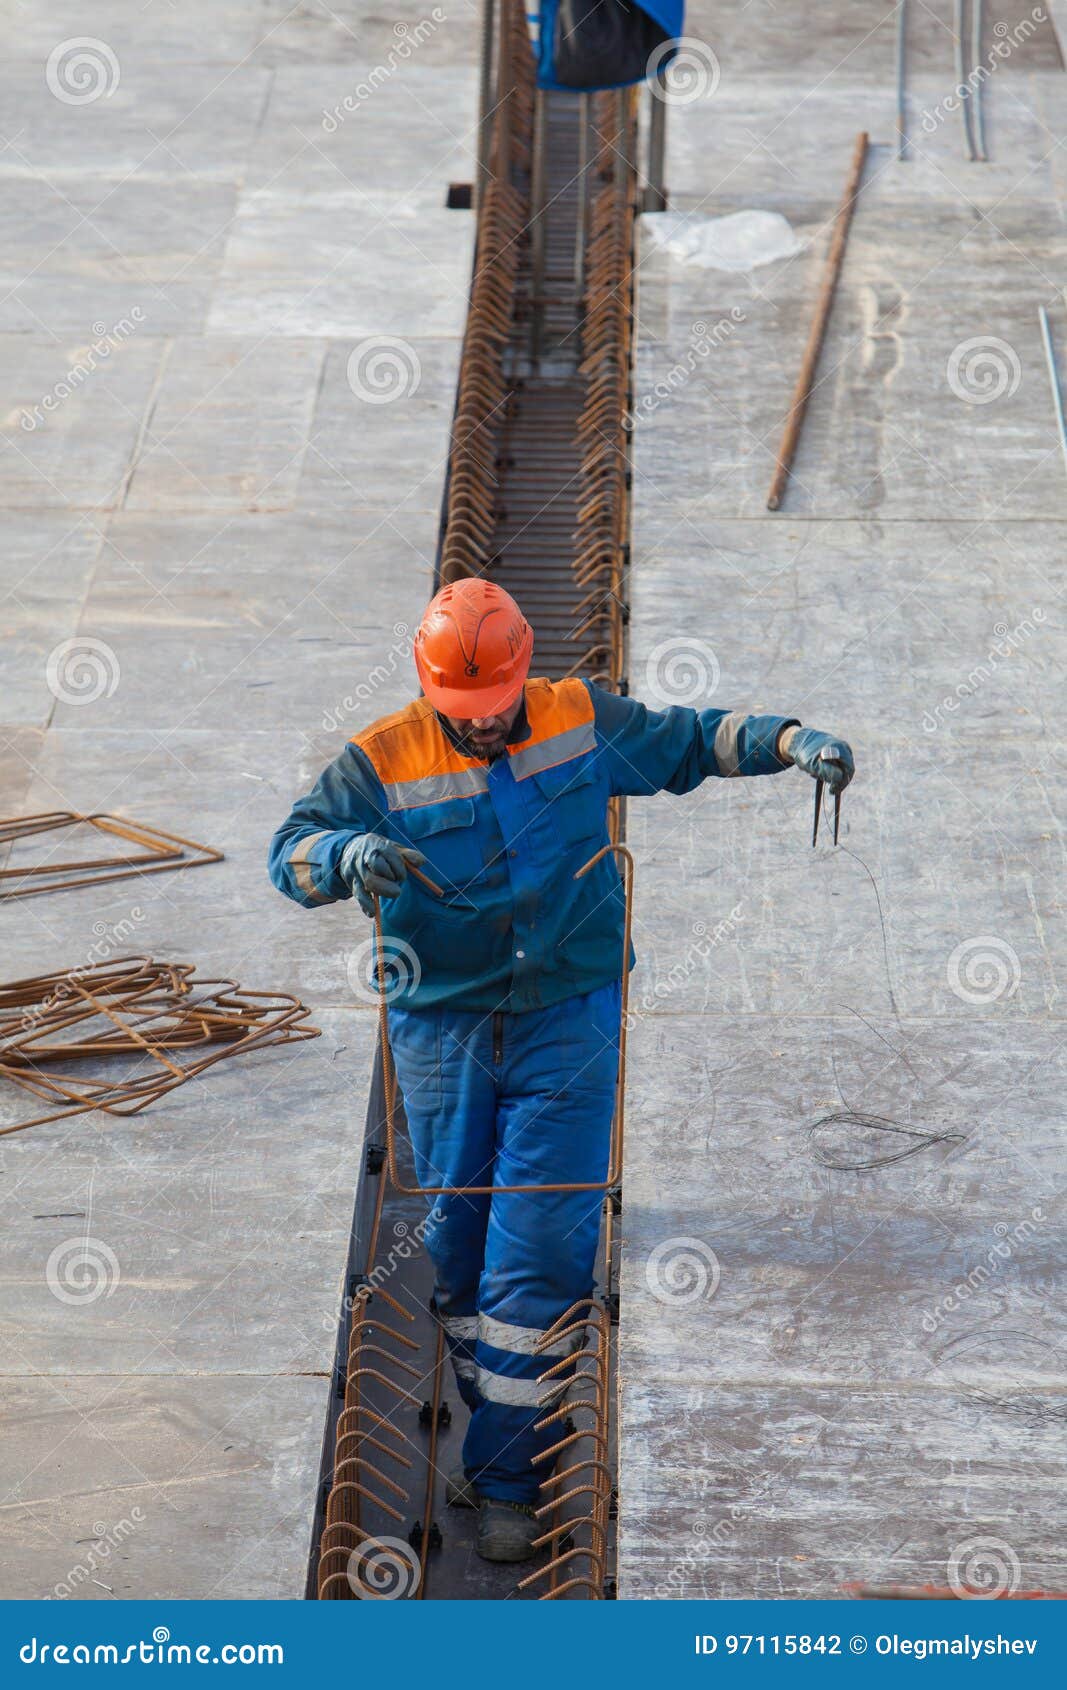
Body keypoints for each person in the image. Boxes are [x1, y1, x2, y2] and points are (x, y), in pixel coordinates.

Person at [268, 576, 854, 1562]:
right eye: (467, 713)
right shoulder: (381, 757)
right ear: (429, 688)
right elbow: (288, 854)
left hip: (567, 1018)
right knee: (456, 1243)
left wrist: (791, 740)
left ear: (522, 672)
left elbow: (685, 741)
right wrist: (344, 855)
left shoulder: (578, 718)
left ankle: (506, 1475)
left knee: (534, 1247)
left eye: (498, 706)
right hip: (442, 1024)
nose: (487, 725)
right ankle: (485, 1399)